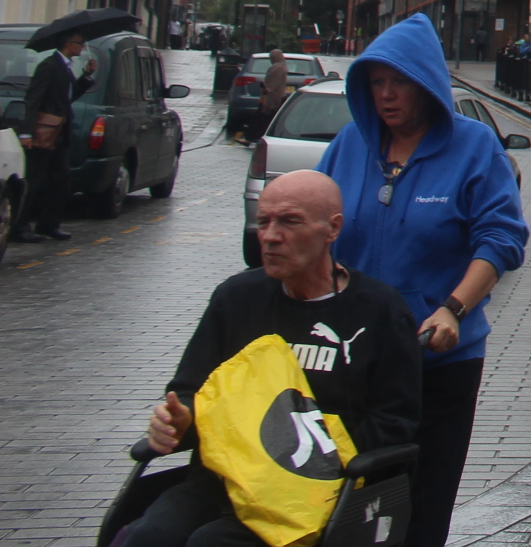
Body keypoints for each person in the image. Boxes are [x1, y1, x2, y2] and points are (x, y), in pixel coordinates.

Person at [123, 171, 421, 547]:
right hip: (224, 477)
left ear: (332, 228)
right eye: (263, 222)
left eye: (290, 221)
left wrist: (301, 451)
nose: (270, 236)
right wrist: (178, 420)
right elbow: (189, 391)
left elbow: (395, 423)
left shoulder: (380, 310)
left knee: (212, 543)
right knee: (149, 537)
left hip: (319, 490)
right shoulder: (236, 299)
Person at [318, 14, 527, 547]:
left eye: (400, 82)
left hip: (437, 362)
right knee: (341, 508)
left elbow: (501, 238)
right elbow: (318, 229)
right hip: (353, 360)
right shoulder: (348, 146)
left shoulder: (474, 146)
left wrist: (453, 309)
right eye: (377, 82)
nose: (386, 95)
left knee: (422, 511)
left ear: (428, 84)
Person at [16, 27, 96, 240]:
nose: (82, 47)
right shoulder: (49, 66)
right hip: (44, 133)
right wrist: (26, 133)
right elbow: (33, 98)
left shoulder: (65, 67)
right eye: (79, 43)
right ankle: (20, 227)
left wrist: (86, 76)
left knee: (60, 181)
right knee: (34, 180)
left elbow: (66, 97)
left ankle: (49, 224)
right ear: (68, 44)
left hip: (60, 134)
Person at [254, 49, 291, 141]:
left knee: (266, 118)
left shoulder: (276, 68)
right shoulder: (283, 66)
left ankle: (259, 136)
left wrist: (264, 86)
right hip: (281, 96)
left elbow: (270, 86)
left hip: (273, 98)